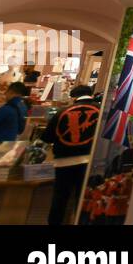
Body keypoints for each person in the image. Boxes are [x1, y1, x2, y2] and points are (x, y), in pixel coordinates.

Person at [44, 86, 102, 225]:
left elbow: (47, 137)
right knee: (82, 198)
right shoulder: (100, 110)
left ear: (73, 97)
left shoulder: (61, 112)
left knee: (60, 198)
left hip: (64, 162)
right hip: (89, 161)